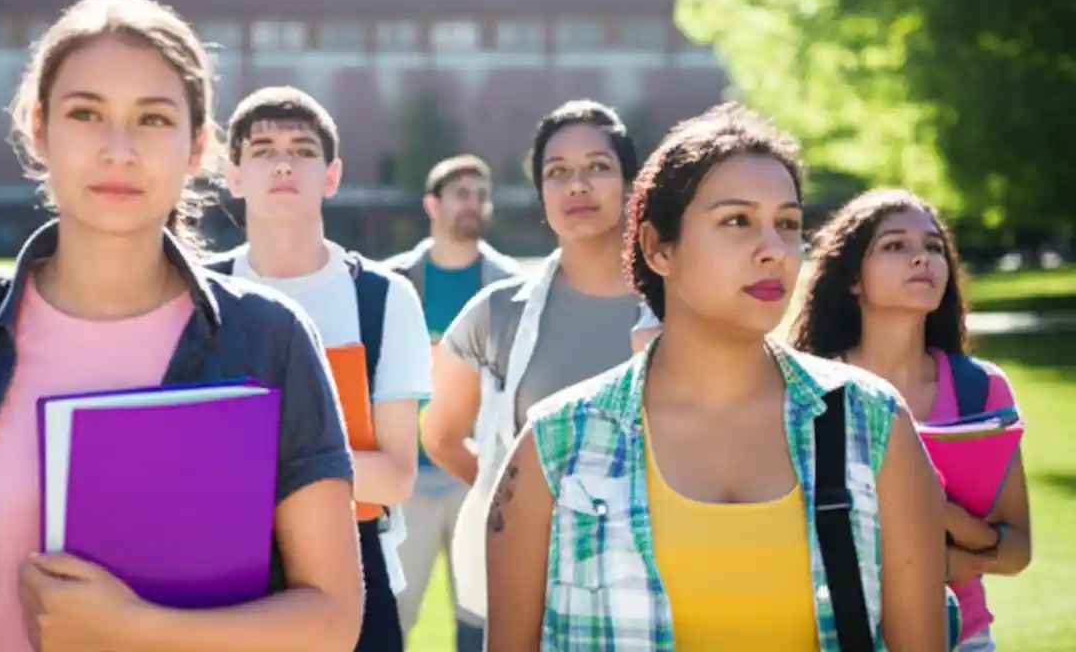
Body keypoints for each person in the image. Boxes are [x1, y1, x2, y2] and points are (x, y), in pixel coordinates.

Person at [0, 0, 363, 652]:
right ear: (39, 129)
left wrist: (138, 629)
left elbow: (332, 620)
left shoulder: (269, 339)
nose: (119, 149)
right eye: (86, 113)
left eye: (154, 119)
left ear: (197, 149)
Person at [483, 103, 948, 651]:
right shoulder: (555, 445)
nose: (774, 250)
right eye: (736, 221)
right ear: (658, 248)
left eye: (789, 224)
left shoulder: (873, 425)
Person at [420, 99, 658, 624]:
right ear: (541, 193)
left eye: (598, 167)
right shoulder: (497, 314)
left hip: (660, 580)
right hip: (542, 591)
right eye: (558, 173)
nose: (577, 185)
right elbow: (439, 433)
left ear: (631, 186)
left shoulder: (680, 310)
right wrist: (515, 502)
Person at [210, 85, 430, 652]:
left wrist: (251, 459)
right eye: (262, 150)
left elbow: (396, 477)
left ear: (331, 176)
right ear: (233, 176)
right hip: (222, 565)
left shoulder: (381, 298)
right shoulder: (196, 292)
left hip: (353, 559)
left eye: (303, 150)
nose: (283, 162)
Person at [790, 188, 1032, 652]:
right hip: (832, 636)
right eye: (895, 246)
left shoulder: (981, 389)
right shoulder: (808, 389)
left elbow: (1018, 548)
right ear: (853, 279)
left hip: (963, 640)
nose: (922, 259)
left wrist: (938, 532)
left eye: (934, 247)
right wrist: (958, 537)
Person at [383, 154, 518, 650]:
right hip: (407, 481)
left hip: (477, 476)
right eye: (462, 194)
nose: (474, 205)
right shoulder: (394, 282)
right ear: (432, 205)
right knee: (390, 615)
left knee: (480, 618)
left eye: (482, 195)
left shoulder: (511, 288)